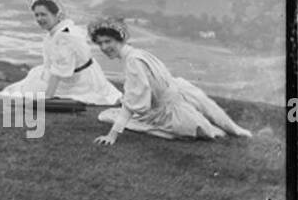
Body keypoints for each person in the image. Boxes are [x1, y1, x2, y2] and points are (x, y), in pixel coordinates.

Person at [88, 17, 252, 145]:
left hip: (170, 111)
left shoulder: (133, 61)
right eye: (100, 43)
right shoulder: (137, 53)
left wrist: (112, 135)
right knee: (108, 115)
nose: (103, 47)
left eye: (108, 41)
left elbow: (133, 101)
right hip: (174, 100)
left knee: (107, 116)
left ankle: (181, 127)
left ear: (120, 39)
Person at [0, 0, 121, 105]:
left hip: (78, 81)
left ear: (55, 15)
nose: (39, 19)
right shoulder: (57, 31)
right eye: (36, 15)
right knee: (32, 79)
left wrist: (47, 97)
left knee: (26, 91)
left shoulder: (64, 37)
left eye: (43, 14)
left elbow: (59, 72)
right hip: (85, 74)